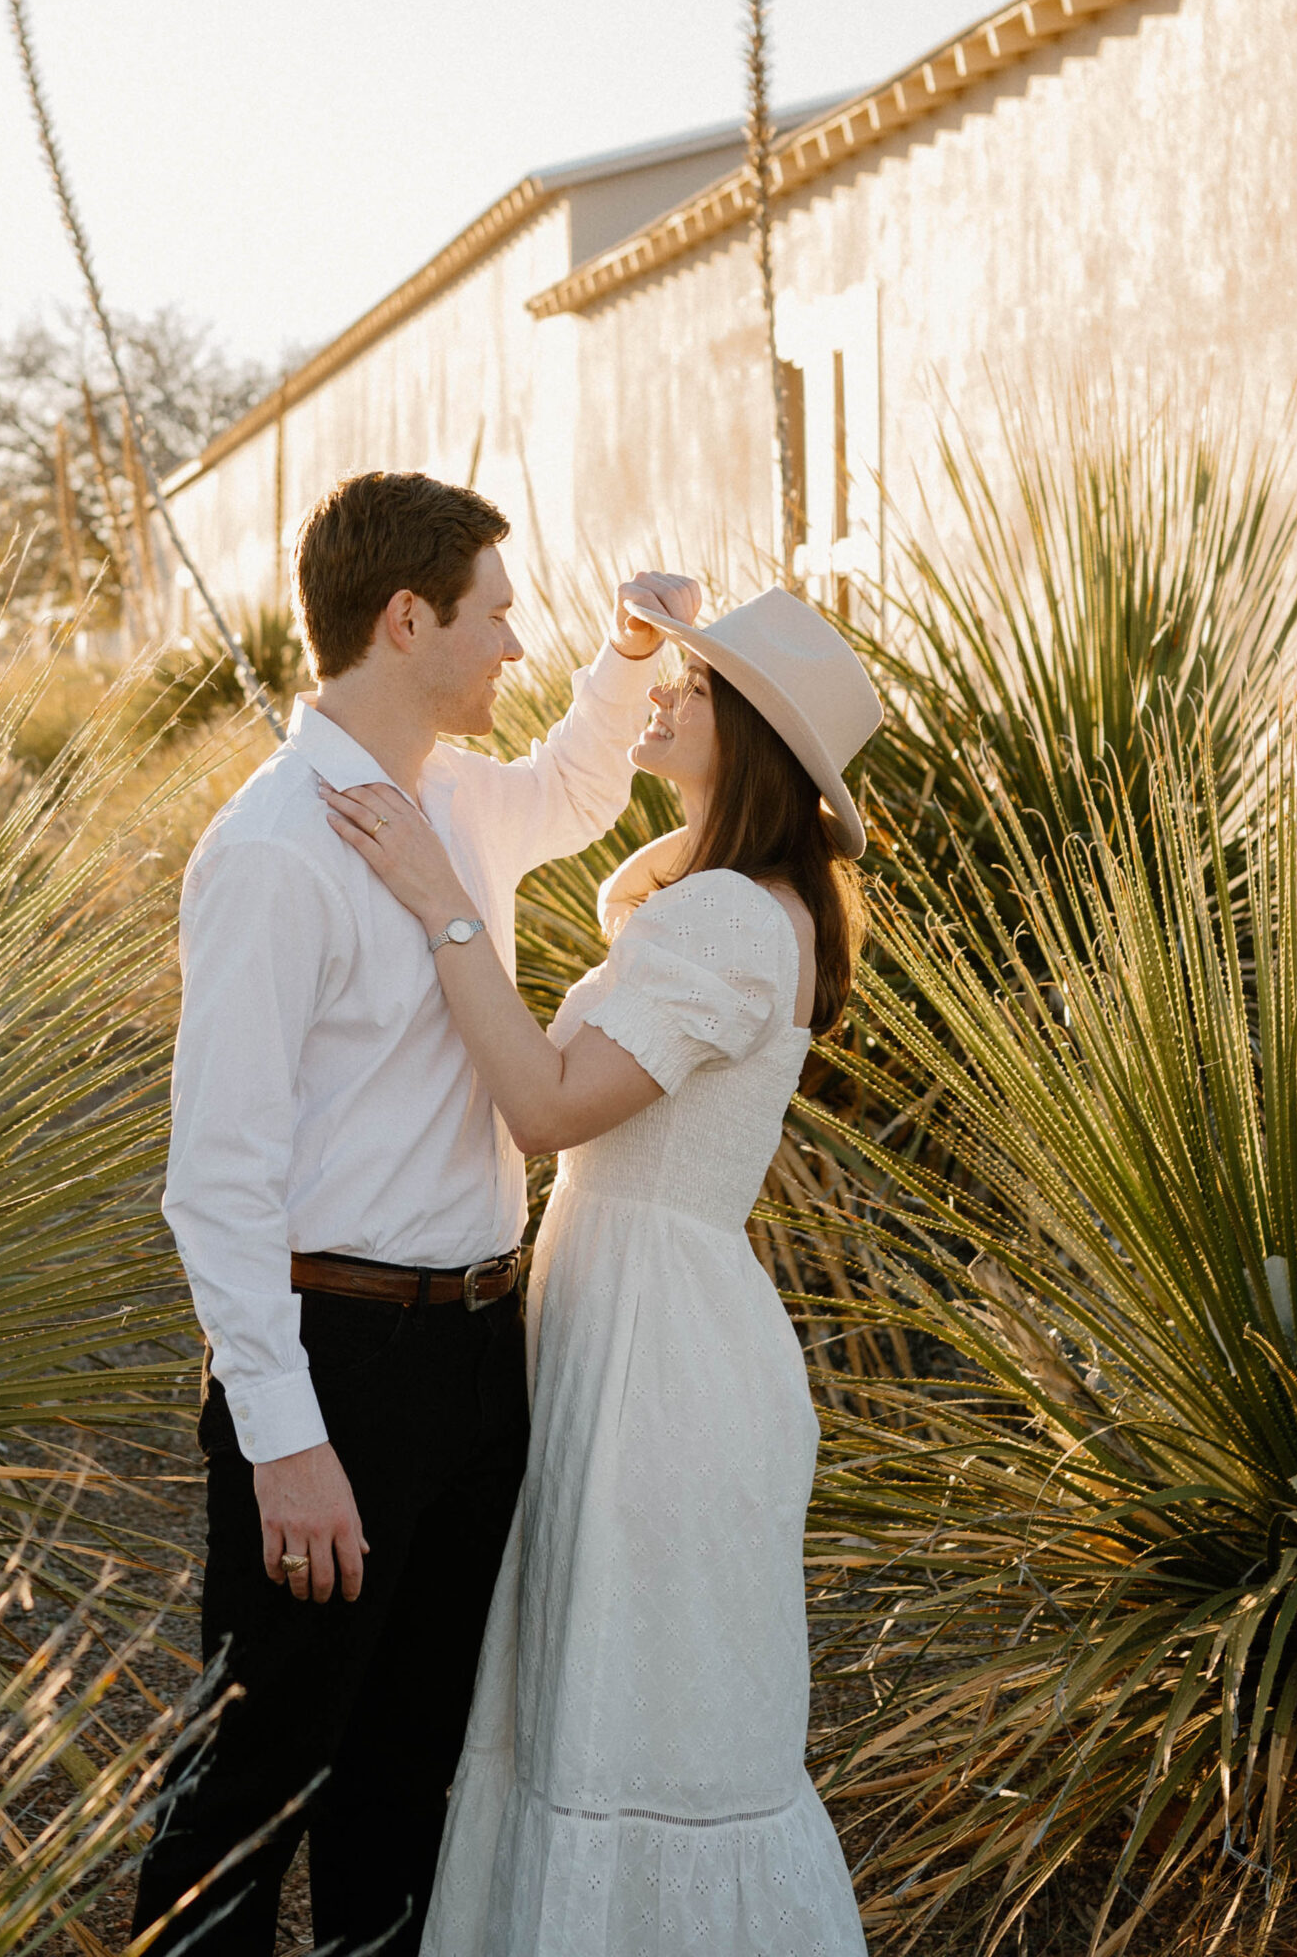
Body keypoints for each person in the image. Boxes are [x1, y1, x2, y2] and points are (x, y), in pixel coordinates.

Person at [131, 467, 701, 1954]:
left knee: (408, 1772)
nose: (516, 646)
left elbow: (578, 788)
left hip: (473, 1355)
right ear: (407, 619)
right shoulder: (270, 853)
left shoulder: (453, 800)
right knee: (253, 1779)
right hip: (336, 1367)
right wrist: (288, 1438)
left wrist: (628, 657)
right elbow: (219, 1185)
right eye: (498, 616)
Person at [320, 583, 880, 1955]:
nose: (670, 698)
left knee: (638, 1722)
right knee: (590, 1701)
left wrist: (443, 901)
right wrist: (628, 665)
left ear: (746, 734)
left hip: (656, 1354)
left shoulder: (735, 923)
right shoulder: (737, 902)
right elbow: (632, 910)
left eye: (694, 686)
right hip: (634, 1311)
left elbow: (551, 1109)